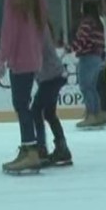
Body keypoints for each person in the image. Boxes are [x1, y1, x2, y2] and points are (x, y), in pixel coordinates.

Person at [0, 0, 49, 174]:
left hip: (19, 58)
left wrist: (3, 58)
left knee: (21, 104)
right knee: (24, 103)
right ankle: (29, 147)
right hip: (34, 57)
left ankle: (30, 149)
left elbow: (10, 30)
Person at [33, 20, 72, 167]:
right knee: (49, 113)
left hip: (51, 77)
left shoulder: (38, 29)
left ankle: (41, 149)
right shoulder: (41, 28)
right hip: (54, 76)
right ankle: (62, 148)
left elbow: (36, 51)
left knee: (36, 110)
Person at [70, 0, 106, 128]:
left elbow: (82, 39)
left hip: (88, 56)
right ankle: (98, 113)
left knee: (85, 86)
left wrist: (72, 48)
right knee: (92, 87)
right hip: (97, 56)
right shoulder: (98, 23)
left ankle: (91, 114)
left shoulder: (87, 22)